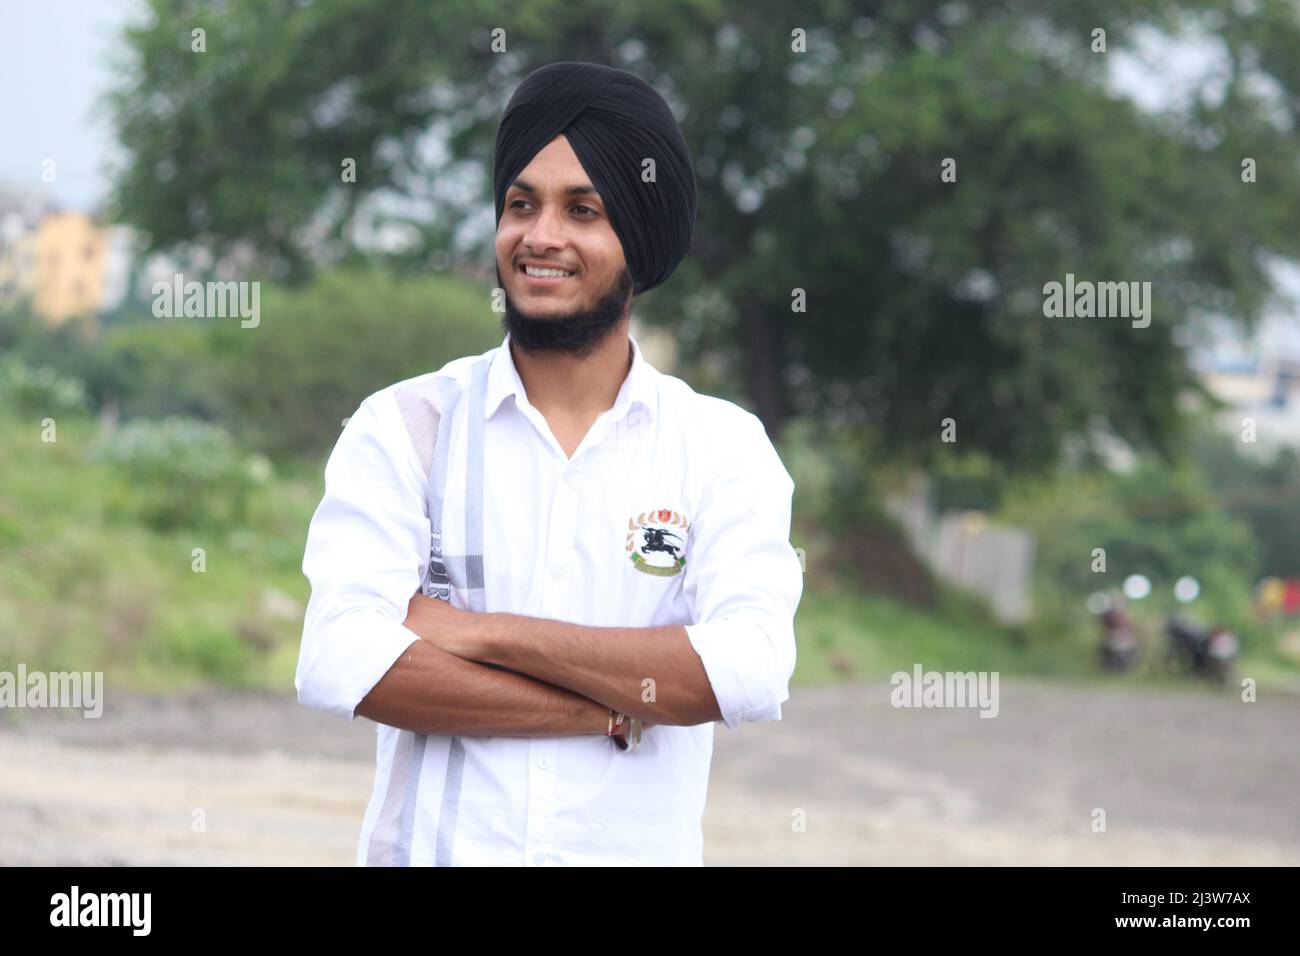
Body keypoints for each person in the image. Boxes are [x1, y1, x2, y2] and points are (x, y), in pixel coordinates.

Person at [295, 60, 803, 866]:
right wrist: (609, 709)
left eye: (584, 210)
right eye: (521, 204)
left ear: (639, 237)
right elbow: (343, 663)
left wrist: (473, 632)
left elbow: (742, 672)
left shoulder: (720, 448)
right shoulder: (406, 426)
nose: (541, 237)